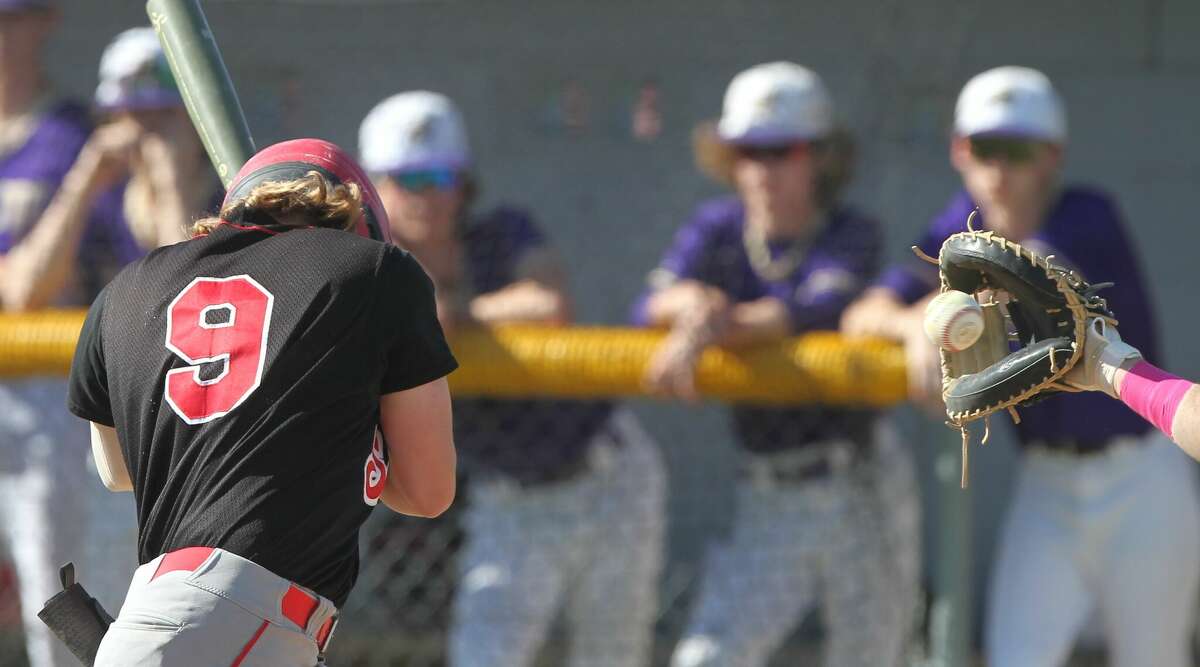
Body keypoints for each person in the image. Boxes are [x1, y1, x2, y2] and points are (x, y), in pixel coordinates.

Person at [842, 66, 1199, 667]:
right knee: (1016, 655)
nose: (1000, 169)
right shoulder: (959, 223)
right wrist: (913, 326)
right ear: (959, 150)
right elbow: (862, 314)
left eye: (1019, 150)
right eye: (986, 147)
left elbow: (1041, 278)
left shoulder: (1087, 212)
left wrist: (950, 308)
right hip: (1045, 483)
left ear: (1051, 156)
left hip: (1141, 478)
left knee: (1153, 657)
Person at [66, 138, 458, 666]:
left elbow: (118, 470)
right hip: (236, 619)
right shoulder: (378, 270)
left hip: (185, 616)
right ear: (358, 222)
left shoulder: (125, 288)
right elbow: (427, 491)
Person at [359, 91, 666, 667]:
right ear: (375, 189)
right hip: (509, 495)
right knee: (482, 656)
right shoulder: (375, 270)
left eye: (440, 177)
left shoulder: (500, 232)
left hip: (606, 471)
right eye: (407, 179)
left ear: (463, 184)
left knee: (611, 656)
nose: (427, 195)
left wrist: (459, 312)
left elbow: (547, 302)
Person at [635, 61, 917, 667]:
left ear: (819, 156)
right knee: (707, 658)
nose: (762, 170)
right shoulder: (718, 227)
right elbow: (650, 305)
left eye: (781, 151)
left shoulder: (850, 231)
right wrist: (695, 305)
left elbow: (813, 310)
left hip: (859, 481)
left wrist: (712, 325)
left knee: (870, 656)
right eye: (747, 152)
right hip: (771, 493)